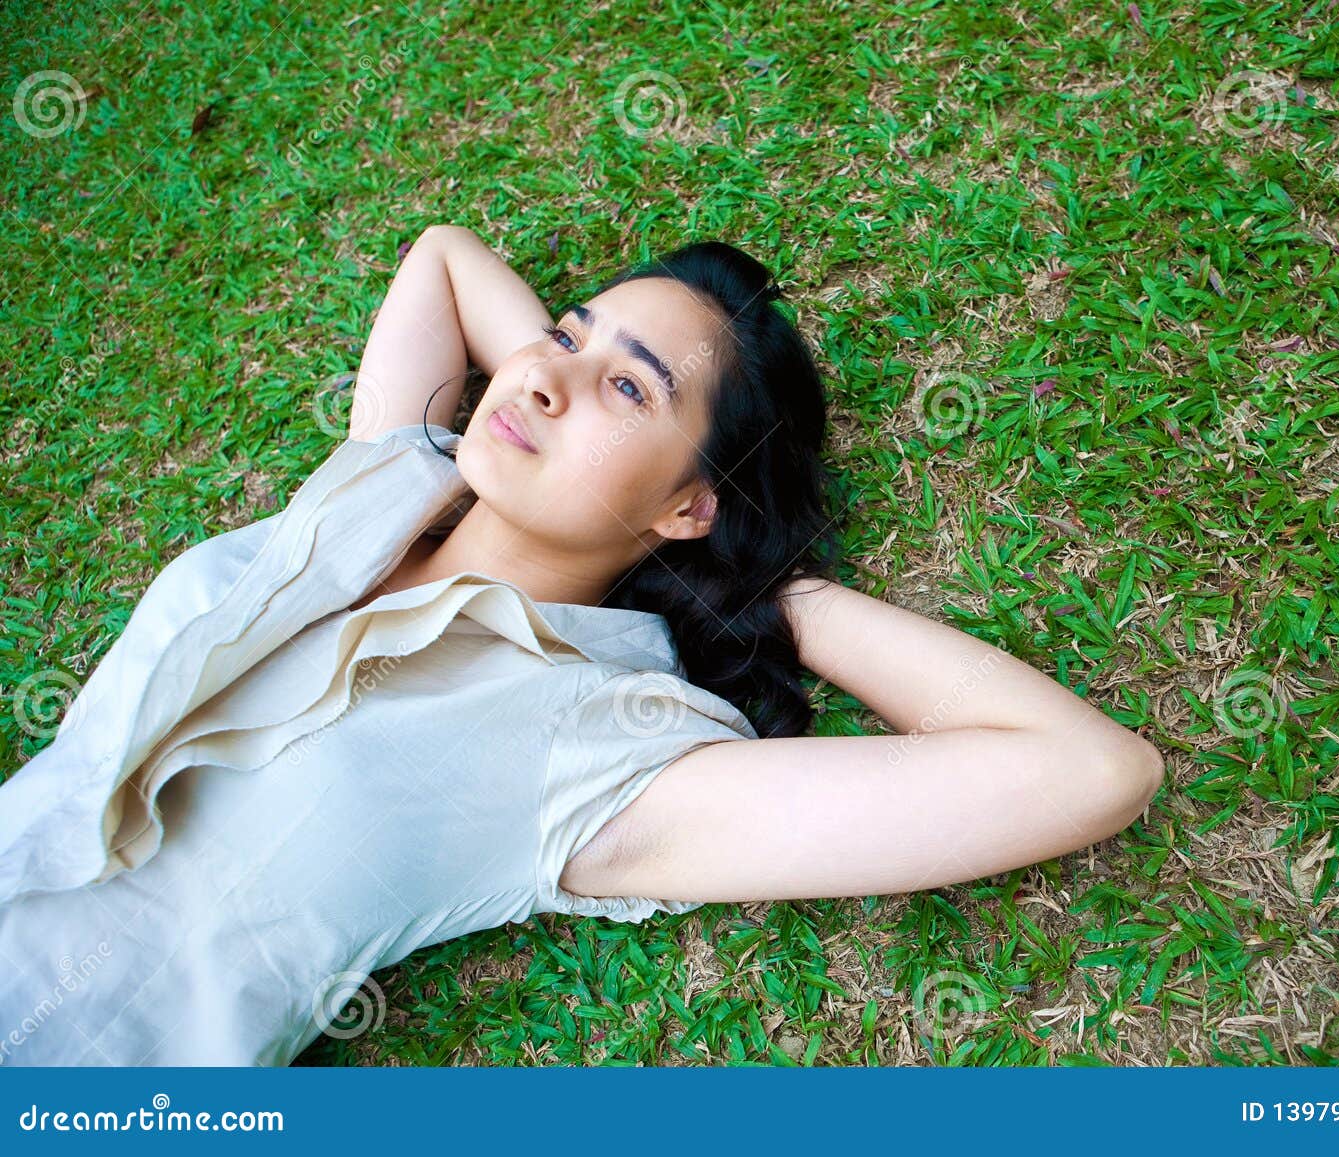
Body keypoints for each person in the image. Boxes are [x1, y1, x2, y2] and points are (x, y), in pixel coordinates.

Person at [0, 227, 1162, 1066]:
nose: (543, 375)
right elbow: (444, 259)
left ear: (688, 506)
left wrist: (762, 588)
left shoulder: (592, 746)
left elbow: (1092, 769)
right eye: (561, 333)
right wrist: (591, 391)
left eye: (625, 386)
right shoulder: (379, 484)